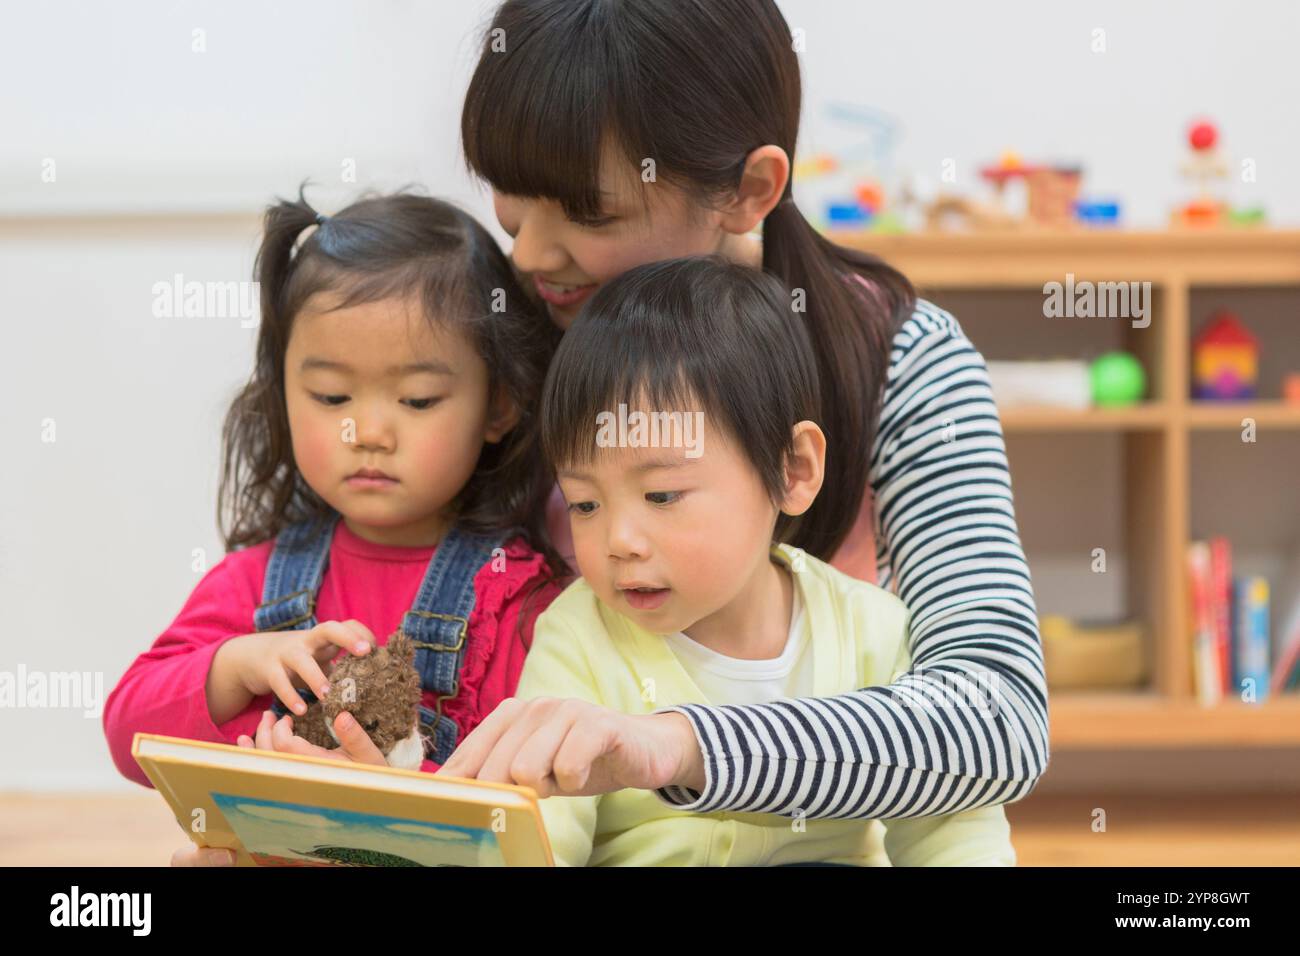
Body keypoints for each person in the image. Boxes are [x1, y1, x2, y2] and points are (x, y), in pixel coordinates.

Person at [438, 0, 1048, 821]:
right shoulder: (492, 340)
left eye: (589, 210)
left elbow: (996, 721)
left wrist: (678, 745)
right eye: (513, 194)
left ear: (749, 189)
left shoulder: (903, 359)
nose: (532, 253)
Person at [509, 255, 1017, 865]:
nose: (620, 540)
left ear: (793, 469)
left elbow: (952, 833)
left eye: (662, 495)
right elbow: (540, 838)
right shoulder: (577, 636)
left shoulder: (871, 627)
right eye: (585, 504)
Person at [104, 189, 566, 790]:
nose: (368, 432)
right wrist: (238, 665)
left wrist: (391, 782)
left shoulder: (519, 602)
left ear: (499, 405)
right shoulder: (253, 583)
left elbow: (535, 803)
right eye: (331, 397)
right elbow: (127, 736)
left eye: (418, 400)